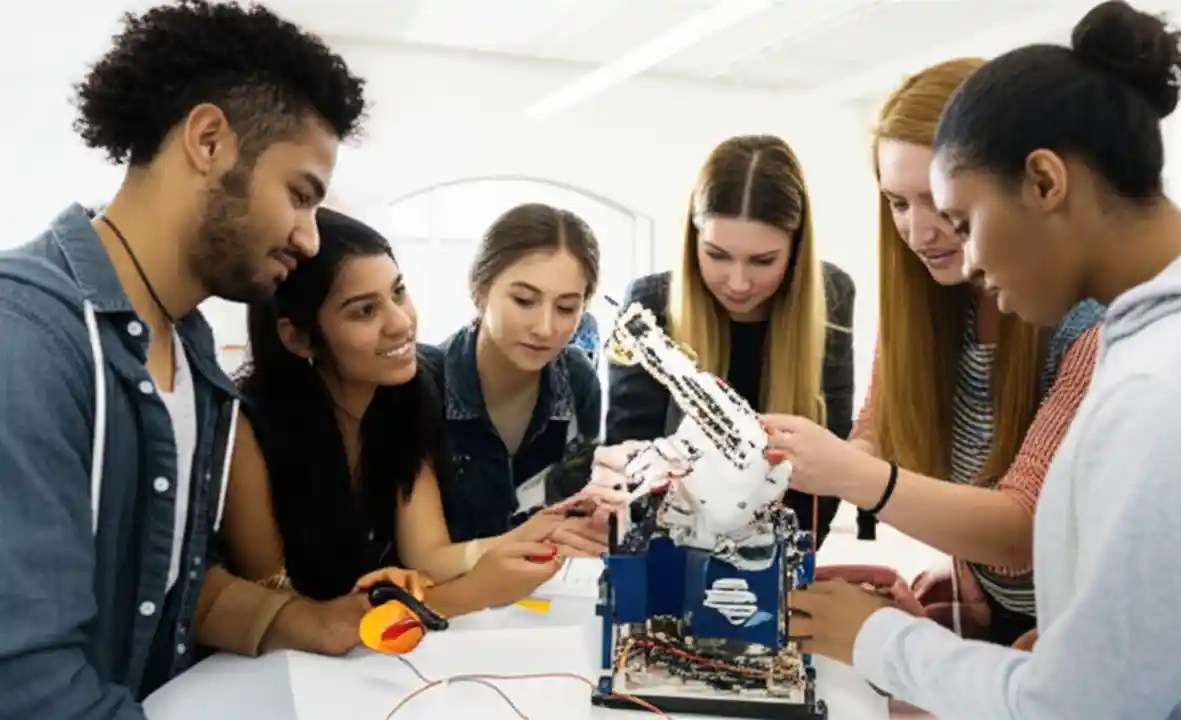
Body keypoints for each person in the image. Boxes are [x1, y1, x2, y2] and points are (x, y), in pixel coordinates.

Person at [786, 2, 1181, 717]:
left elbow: (1075, 709)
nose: (970, 257)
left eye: (964, 221)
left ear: (1046, 183)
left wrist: (877, 640)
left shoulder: (1178, 389)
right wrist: (1062, 645)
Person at [0, 2, 366, 717]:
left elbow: (165, 583)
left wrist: (313, 622)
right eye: (300, 195)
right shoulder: (28, 341)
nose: (312, 239)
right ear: (208, 140)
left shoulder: (194, 358)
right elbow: (27, 686)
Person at [760, 59, 1103, 646]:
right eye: (897, 203)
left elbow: (1020, 528)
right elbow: (880, 429)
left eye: (937, 203)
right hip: (1003, 620)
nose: (918, 233)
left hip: (1085, 635)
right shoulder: (934, 309)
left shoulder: (1087, 326)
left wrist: (849, 472)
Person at [205, 207, 587, 656]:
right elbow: (289, 615)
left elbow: (429, 556)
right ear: (298, 339)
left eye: (398, 292)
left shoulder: (408, 394)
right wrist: (476, 591)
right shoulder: (247, 428)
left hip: (374, 662)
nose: (401, 322)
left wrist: (530, 536)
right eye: (365, 311)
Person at [605, 134, 855, 546]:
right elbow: (630, 459)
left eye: (763, 261)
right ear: (692, 241)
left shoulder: (832, 297)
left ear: (795, 249)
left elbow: (830, 460)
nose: (738, 284)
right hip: (673, 548)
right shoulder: (647, 307)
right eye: (717, 255)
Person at [434, 203, 606, 544]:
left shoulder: (577, 379)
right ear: (479, 290)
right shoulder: (427, 384)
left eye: (566, 308)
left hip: (550, 592)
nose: (545, 328)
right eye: (525, 300)